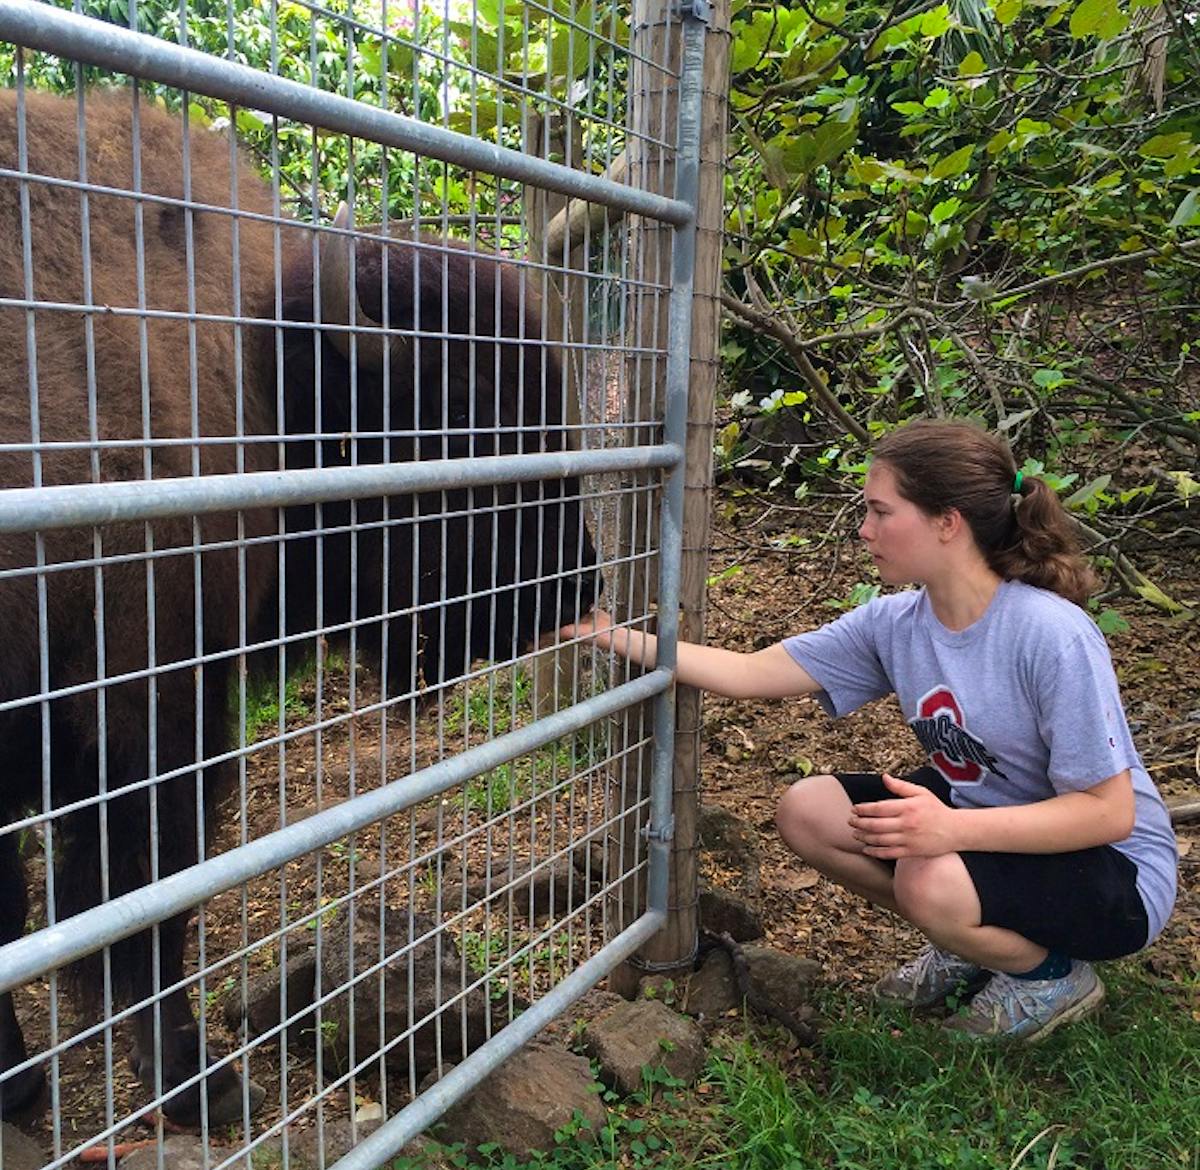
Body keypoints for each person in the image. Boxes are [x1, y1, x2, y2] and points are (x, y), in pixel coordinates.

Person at [561, 418, 1177, 1042]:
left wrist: (950, 830)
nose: (864, 529)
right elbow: (751, 673)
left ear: (947, 522)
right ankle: (973, 942)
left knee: (925, 874)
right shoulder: (896, 622)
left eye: (881, 512)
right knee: (810, 811)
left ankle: (1047, 974)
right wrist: (605, 633)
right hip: (990, 822)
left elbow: (1109, 813)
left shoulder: (1050, 634)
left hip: (1116, 876)